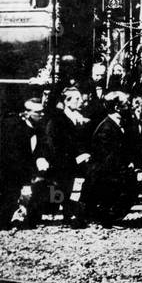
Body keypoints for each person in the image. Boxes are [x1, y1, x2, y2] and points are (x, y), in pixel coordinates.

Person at [0, 97, 49, 230]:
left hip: (24, 170)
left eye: (42, 112)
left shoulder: (39, 128)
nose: (41, 115)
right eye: (38, 113)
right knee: (8, 195)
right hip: (9, 170)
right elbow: (16, 158)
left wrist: (40, 158)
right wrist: (26, 180)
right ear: (27, 113)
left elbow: (41, 148)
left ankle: (26, 216)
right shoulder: (14, 129)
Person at [81, 92, 138, 225]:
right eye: (127, 104)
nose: (130, 107)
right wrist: (125, 167)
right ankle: (106, 218)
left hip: (114, 169)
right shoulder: (106, 128)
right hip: (105, 173)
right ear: (117, 108)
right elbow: (108, 157)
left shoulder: (119, 124)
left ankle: (110, 217)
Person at [41, 86, 93, 225]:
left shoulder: (78, 119)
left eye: (80, 98)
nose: (80, 101)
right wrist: (75, 159)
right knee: (58, 190)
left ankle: (68, 213)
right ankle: (61, 212)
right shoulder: (57, 121)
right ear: (67, 101)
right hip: (62, 163)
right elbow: (54, 146)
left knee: (71, 188)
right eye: (77, 99)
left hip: (74, 164)